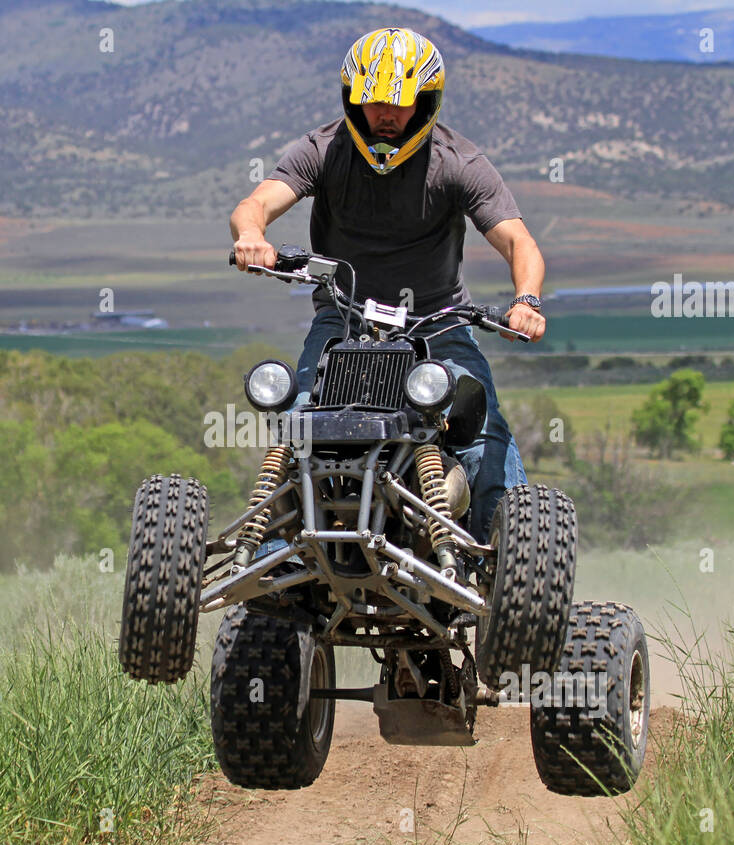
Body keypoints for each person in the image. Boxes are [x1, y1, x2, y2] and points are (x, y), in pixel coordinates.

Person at [229, 27, 547, 540]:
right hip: (344, 316)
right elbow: (256, 203)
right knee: (301, 421)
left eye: (401, 105)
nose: (386, 115)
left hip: (439, 323)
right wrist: (251, 236)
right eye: (373, 102)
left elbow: (519, 242)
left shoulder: (459, 162)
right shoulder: (324, 149)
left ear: (427, 103)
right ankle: (274, 559)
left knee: (485, 436)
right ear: (352, 100)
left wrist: (526, 300)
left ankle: (504, 570)